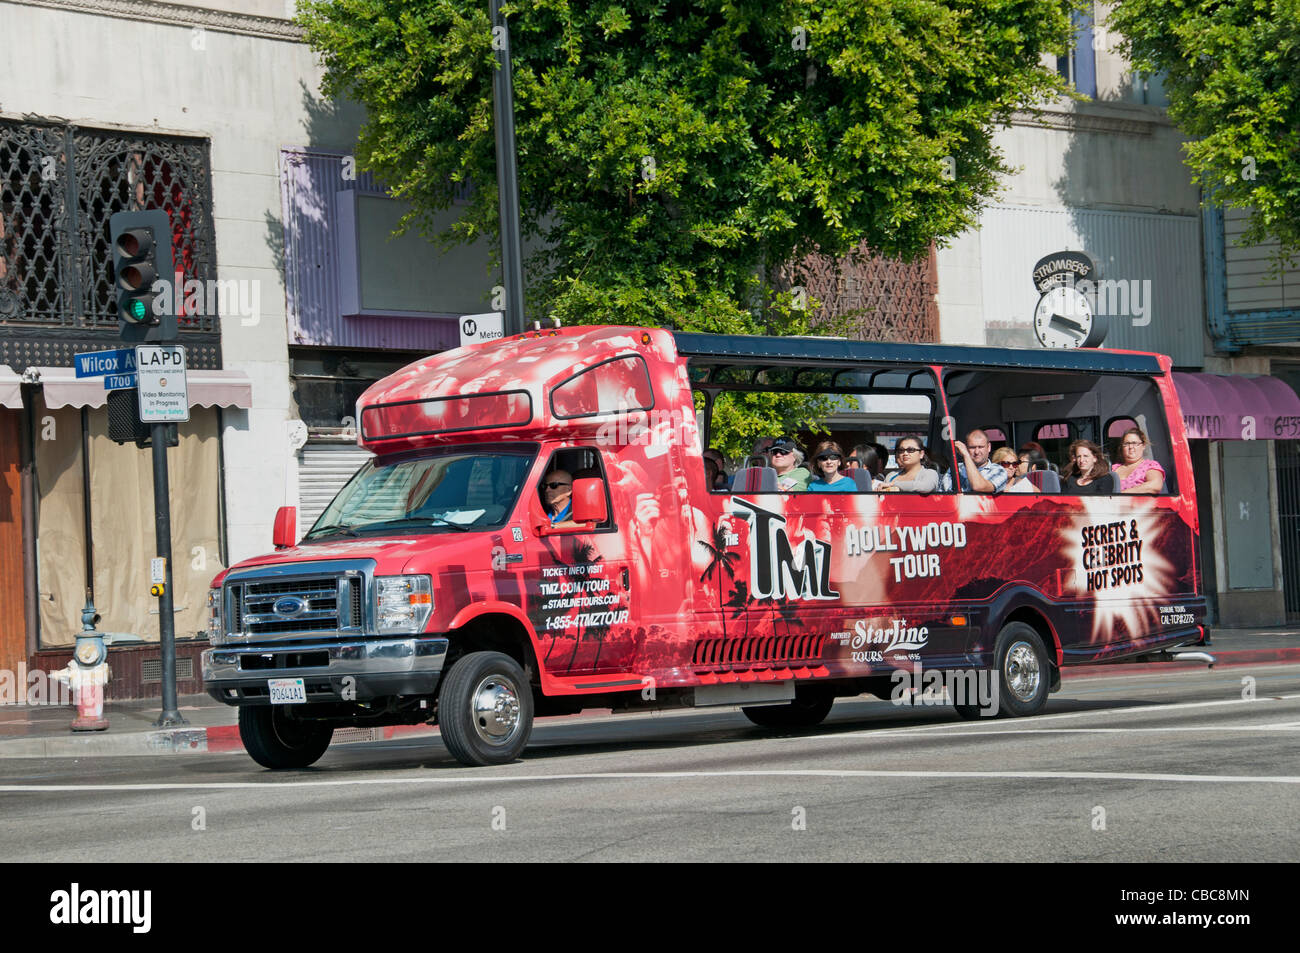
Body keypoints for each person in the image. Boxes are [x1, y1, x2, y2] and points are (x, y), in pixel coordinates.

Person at [940, 428, 1006, 493]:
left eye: (980, 447)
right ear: (966, 447)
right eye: (972, 447)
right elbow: (946, 494)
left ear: (989, 447)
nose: (976, 452)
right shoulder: (955, 468)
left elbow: (978, 486)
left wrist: (966, 455)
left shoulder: (999, 470)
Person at [1112, 427, 1165, 495]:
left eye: (1134, 443)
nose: (1131, 447)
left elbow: (1155, 486)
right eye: (1127, 443)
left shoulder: (1150, 466)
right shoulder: (1113, 468)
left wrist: (1121, 494)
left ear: (1143, 446)